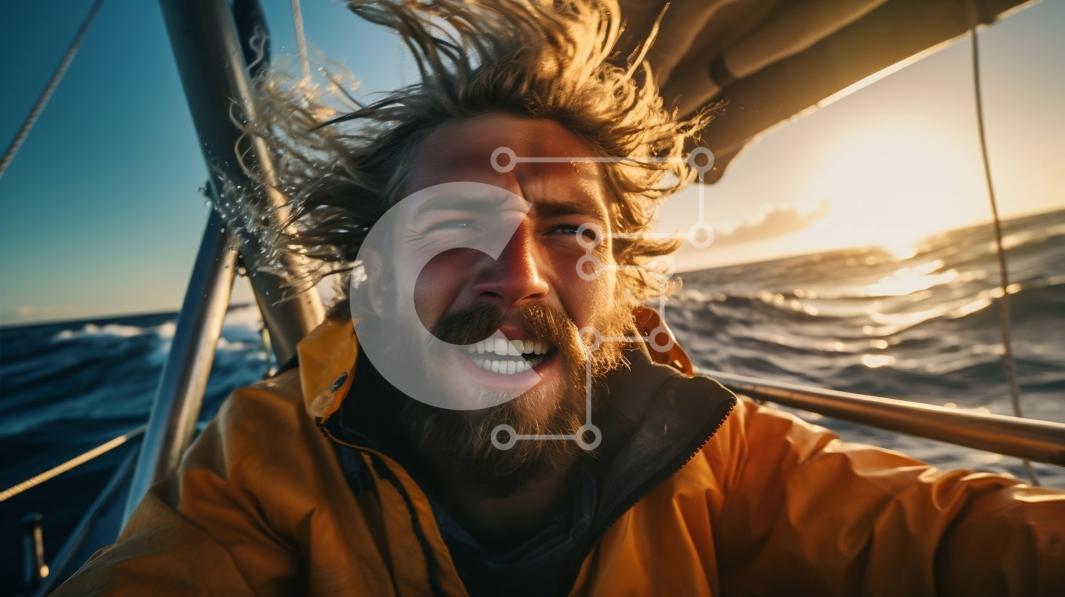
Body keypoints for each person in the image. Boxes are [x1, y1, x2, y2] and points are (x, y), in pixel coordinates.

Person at [57, 1, 1064, 595]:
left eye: (570, 229)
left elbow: (953, 540)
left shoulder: (719, 456)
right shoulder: (263, 461)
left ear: (622, 287)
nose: (518, 275)